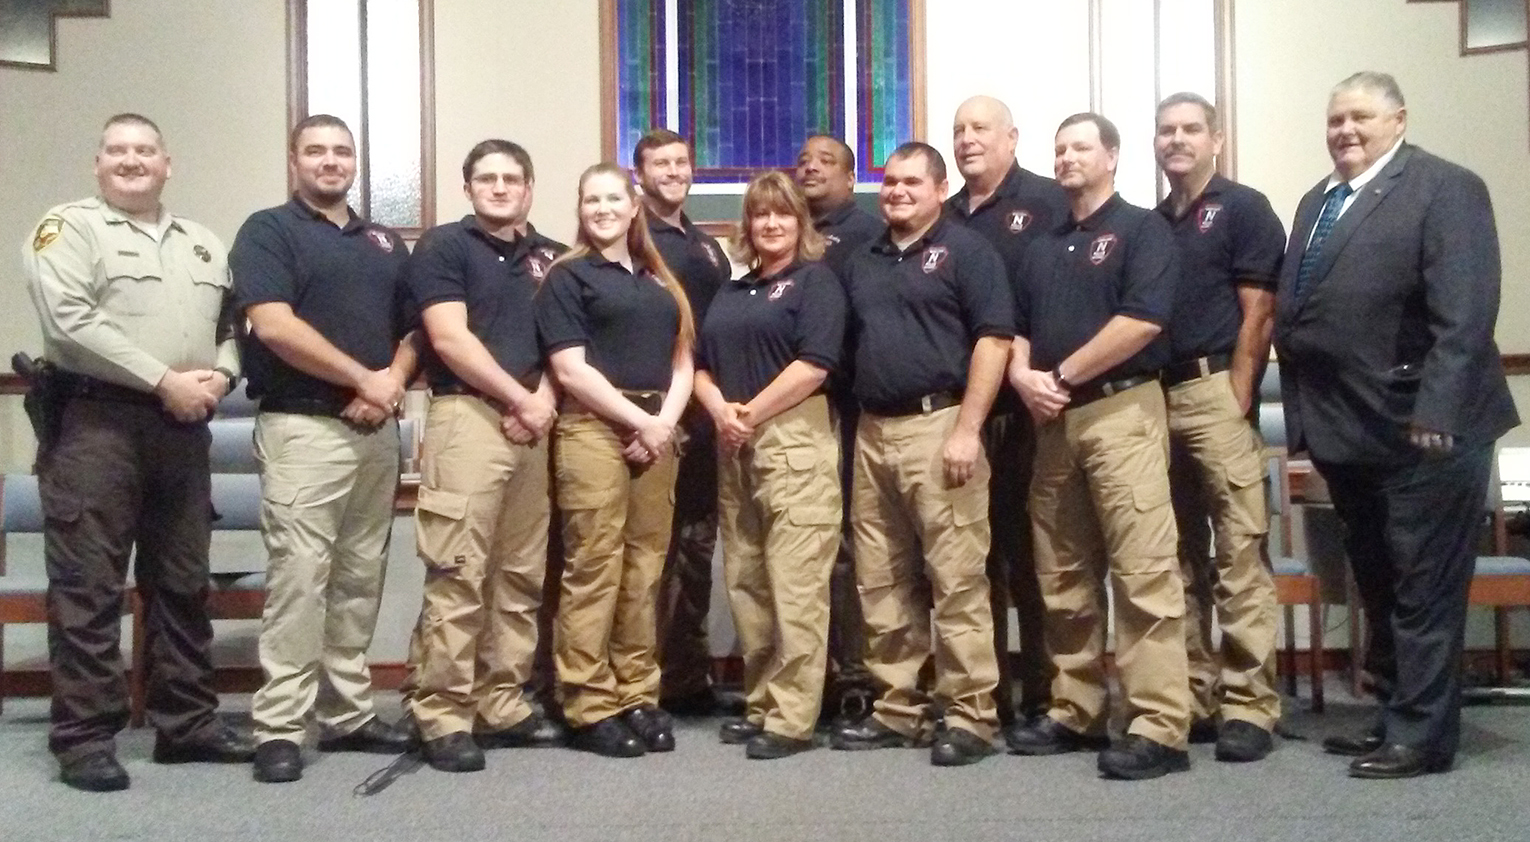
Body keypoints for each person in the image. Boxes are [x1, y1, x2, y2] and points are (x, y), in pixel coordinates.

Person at [1276, 72, 1518, 778]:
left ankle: (1422, 736)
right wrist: (1304, 425)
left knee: (1422, 588)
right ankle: (1391, 714)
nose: (1344, 130)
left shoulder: (1446, 187)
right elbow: (1301, 315)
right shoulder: (1317, 201)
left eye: (1360, 118)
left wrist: (1437, 413)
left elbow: (1465, 313)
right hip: (1350, 432)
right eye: (1335, 119)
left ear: (1399, 120)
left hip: (1425, 433)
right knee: (1378, 585)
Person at [22, 113, 254, 792]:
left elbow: (230, 325)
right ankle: (86, 737)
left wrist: (222, 374)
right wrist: (164, 381)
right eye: (118, 151)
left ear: (166, 163)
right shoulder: (67, 229)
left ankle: (187, 723)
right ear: (98, 163)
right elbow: (69, 322)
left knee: (183, 581)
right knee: (89, 586)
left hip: (182, 428)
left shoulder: (203, 244)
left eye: (145, 150)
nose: (132, 160)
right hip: (97, 424)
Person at [230, 114, 418, 784]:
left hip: (375, 432)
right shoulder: (268, 231)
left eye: (342, 152)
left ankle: (347, 715)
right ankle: (280, 725)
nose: (331, 161)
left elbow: (417, 327)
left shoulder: (384, 242)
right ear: (294, 160)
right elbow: (275, 326)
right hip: (303, 428)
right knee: (301, 578)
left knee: (359, 578)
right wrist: (362, 377)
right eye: (317, 151)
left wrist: (391, 381)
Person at [1006, 112, 1192, 780]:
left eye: (1081, 146)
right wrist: (1024, 378)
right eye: (1058, 149)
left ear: (1112, 156)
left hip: (1120, 411)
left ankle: (1158, 725)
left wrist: (1059, 376)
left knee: (1143, 574)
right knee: (1063, 577)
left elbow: (1141, 320)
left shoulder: (1142, 230)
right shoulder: (1042, 244)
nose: (1066, 157)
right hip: (1053, 422)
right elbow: (1018, 329)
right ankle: (1075, 707)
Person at [828, 142, 1010, 767]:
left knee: (956, 579)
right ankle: (897, 707)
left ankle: (971, 715)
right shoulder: (864, 259)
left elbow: (994, 340)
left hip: (942, 429)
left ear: (939, 190)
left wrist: (969, 428)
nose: (898, 191)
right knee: (880, 580)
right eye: (890, 182)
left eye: (912, 182)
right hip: (873, 433)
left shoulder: (967, 251)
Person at [402, 140, 569, 773]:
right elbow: (448, 336)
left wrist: (544, 399)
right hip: (471, 415)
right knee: (459, 568)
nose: (500, 188)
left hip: (537, 421)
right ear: (468, 187)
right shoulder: (444, 246)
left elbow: (567, 340)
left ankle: (500, 700)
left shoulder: (553, 256)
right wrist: (519, 398)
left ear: (529, 187)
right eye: (486, 179)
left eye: (512, 179)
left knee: (520, 572)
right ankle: (441, 711)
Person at [536, 162, 696, 758]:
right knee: (593, 568)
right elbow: (571, 369)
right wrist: (642, 423)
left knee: (644, 569)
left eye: (612, 198)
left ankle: (636, 694)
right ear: (581, 210)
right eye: (590, 200)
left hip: (656, 431)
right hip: (592, 429)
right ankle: (587, 701)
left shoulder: (660, 280)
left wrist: (662, 425)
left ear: (635, 207)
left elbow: (684, 363)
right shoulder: (568, 277)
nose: (601, 208)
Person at [694, 171, 847, 758]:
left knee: (796, 583)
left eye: (783, 214)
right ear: (747, 225)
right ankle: (761, 701)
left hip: (793, 439)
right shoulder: (734, 290)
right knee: (748, 581)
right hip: (735, 443)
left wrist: (748, 413)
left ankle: (792, 716)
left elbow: (815, 365)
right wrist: (721, 413)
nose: (771, 224)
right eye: (760, 215)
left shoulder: (817, 283)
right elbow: (701, 362)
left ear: (799, 223)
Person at [1153, 91, 1286, 762]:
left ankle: (1251, 704)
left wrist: (1237, 393)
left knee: (1238, 549)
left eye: (1190, 129)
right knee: (1173, 558)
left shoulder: (1242, 208)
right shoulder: (1151, 223)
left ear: (1216, 140)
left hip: (1215, 392)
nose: (1177, 140)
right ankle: (1198, 694)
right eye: (1167, 130)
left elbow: (1258, 308)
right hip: (1153, 400)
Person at [944, 95, 1069, 729]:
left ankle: (1046, 695)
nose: (968, 139)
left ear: (1012, 138)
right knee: (975, 556)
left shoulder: (1049, 204)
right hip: (966, 411)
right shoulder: (943, 219)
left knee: (1034, 552)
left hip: (1032, 405)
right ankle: (984, 693)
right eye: (959, 130)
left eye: (980, 129)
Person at [634, 129, 733, 716]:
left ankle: (685, 675)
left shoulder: (704, 245)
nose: (673, 172)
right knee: (653, 552)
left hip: (703, 418)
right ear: (638, 174)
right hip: (653, 414)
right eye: (660, 164)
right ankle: (643, 681)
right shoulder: (633, 236)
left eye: (680, 162)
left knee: (696, 544)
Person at [793, 133, 881, 721]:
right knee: (809, 542)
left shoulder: (872, 234)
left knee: (852, 543)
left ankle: (856, 674)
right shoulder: (789, 236)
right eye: (803, 161)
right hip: (800, 409)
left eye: (825, 161)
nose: (810, 168)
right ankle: (808, 672)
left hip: (852, 404)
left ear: (851, 179)